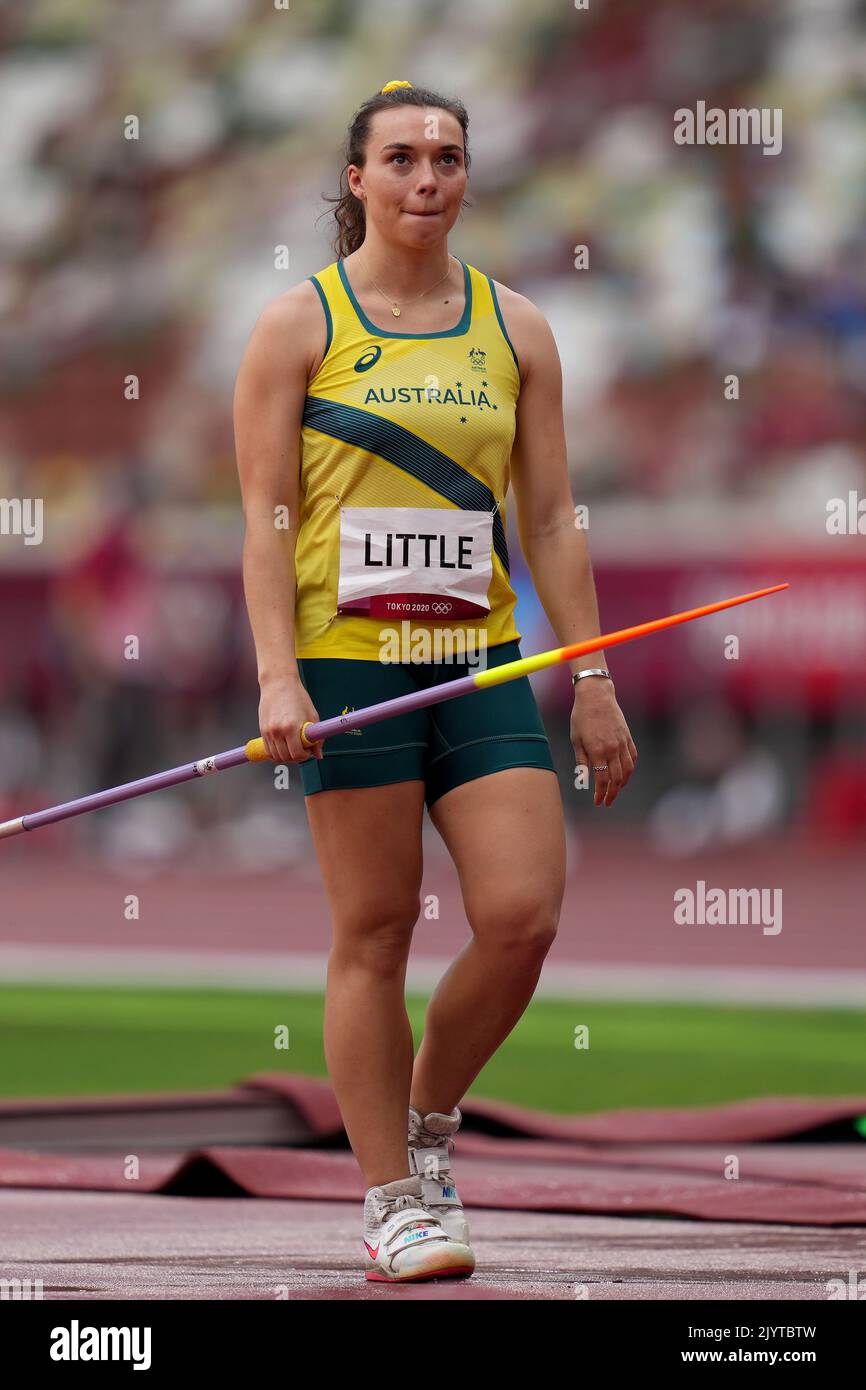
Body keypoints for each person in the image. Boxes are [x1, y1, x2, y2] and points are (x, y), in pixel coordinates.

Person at [234, 80, 637, 1283]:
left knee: (521, 916)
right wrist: (274, 680)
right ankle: (389, 1199)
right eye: (400, 158)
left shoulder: (515, 328)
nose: (425, 178)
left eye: (446, 158)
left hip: (473, 660)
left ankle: (424, 1122)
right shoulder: (297, 327)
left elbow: (552, 515)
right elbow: (264, 520)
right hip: (346, 667)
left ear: (467, 177)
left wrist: (593, 674)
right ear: (352, 179)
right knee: (371, 929)